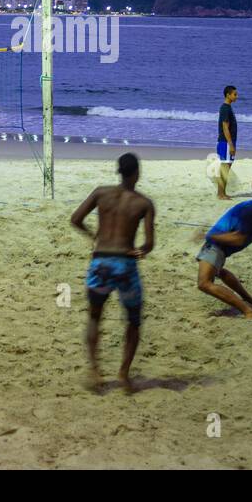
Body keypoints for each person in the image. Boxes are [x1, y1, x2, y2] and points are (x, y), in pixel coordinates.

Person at [70, 153, 155, 392]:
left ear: (118, 171)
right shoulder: (143, 203)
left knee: (95, 316)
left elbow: (76, 219)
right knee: (133, 320)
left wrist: (94, 236)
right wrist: (141, 251)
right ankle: (123, 374)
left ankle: (95, 370)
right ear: (137, 173)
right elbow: (149, 243)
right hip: (125, 264)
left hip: (101, 262)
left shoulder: (101, 193)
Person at [195, 168, 252, 319]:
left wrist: (209, 235)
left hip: (217, 246)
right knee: (220, 271)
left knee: (204, 283)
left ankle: (249, 311)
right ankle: (249, 300)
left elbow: (239, 238)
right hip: (220, 246)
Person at [214, 85, 239, 200]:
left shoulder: (228, 108)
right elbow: (225, 127)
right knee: (224, 168)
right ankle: (220, 194)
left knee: (226, 168)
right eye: (234, 94)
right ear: (228, 95)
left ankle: (222, 192)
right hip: (225, 142)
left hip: (227, 142)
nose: (236, 96)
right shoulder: (225, 108)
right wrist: (231, 144)